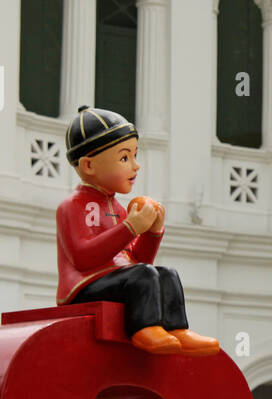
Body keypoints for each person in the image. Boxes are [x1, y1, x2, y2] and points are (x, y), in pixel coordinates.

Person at [57, 105, 219, 356]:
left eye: (134, 156)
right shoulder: (72, 206)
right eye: (124, 158)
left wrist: (151, 232)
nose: (135, 166)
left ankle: (177, 329)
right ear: (88, 165)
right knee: (143, 275)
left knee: (165, 273)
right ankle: (143, 328)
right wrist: (131, 227)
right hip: (83, 288)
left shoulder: (120, 209)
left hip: (116, 279)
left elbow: (137, 261)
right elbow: (83, 257)